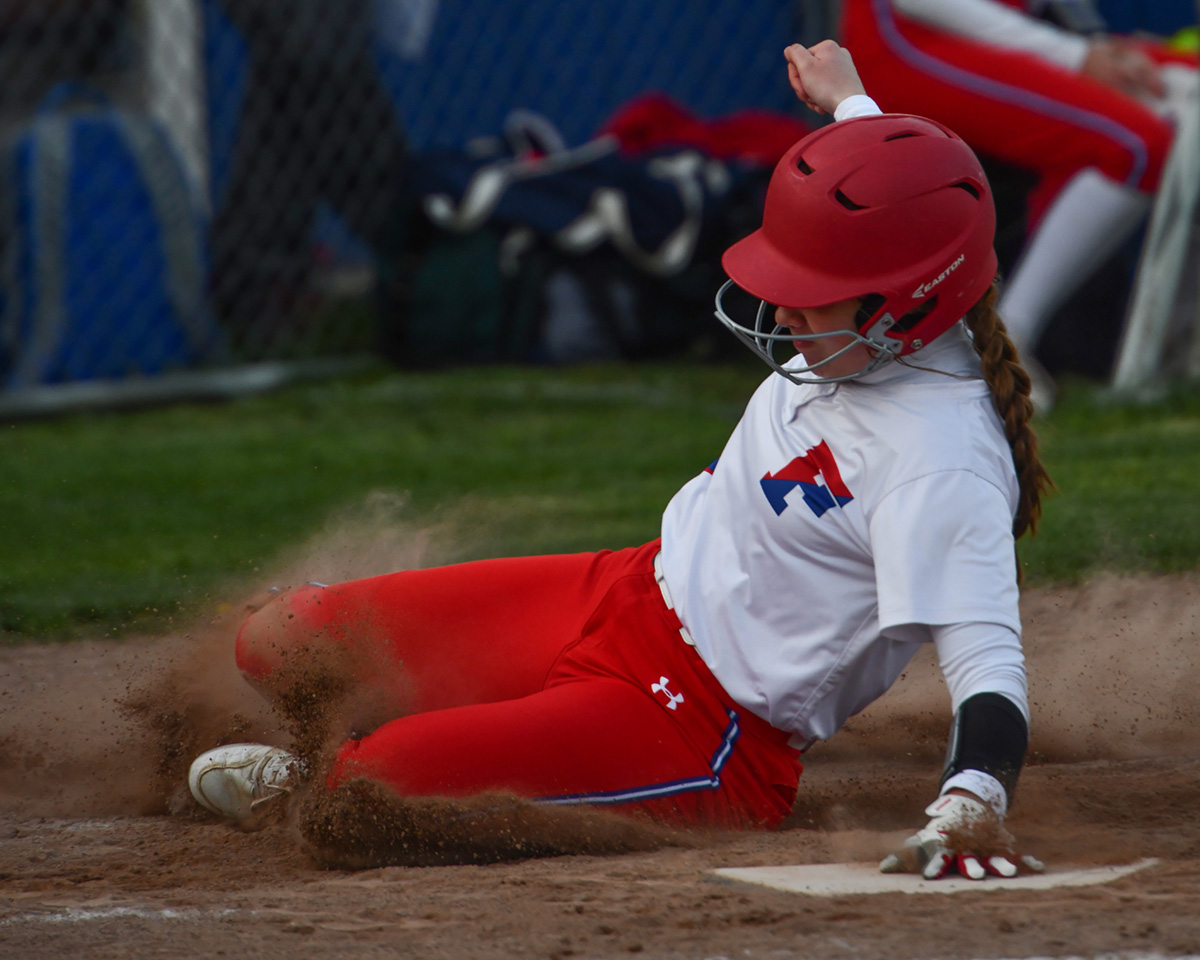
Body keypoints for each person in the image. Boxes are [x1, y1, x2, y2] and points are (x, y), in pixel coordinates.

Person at [187, 40, 1051, 881]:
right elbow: (904, 193)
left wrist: (972, 802)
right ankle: (426, 726)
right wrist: (851, 101)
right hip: (623, 588)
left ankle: (353, 761)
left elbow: (989, 666)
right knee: (278, 640)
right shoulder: (885, 314)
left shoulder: (944, 462)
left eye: (809, 294)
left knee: (352, 795)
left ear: (904, 310)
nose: (782, 309)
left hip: (699, 727)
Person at [839, 0, 1199, 408]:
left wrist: (1093, 46)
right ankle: (1005, 340)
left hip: (993, 28)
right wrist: (1078, 56)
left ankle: (1177, 342)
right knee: (1135, 148)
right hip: (911, 34)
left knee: (1181, 79)